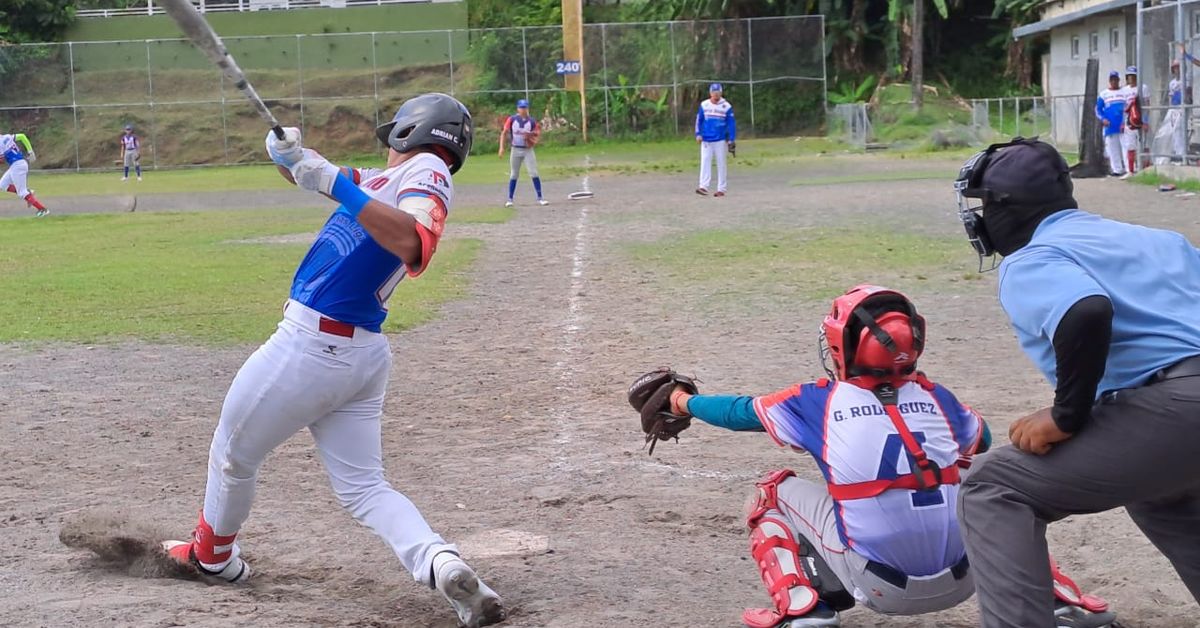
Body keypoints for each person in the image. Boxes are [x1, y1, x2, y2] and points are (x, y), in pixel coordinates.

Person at [161, 93, 506, 628]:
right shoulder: (391, 178)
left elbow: (412, 242)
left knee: (232, 453)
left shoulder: (429, 171)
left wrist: (329, 181)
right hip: (356, 354)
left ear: (409, 132)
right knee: (365, 488)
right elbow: (316, 175)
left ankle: (213, 557)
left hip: (309, 348)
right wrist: (290, 155)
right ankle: (440, 562)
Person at [627, 285, 1116, 628]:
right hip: (972, 579)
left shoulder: (817, 400)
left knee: (774, 491)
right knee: (985, 490)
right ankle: (1060, 600)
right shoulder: (940, 399)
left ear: (842, 345)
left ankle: (802, 610)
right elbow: (982, 440)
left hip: (880, 587)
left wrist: (681, 401)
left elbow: (739, 412)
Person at [953, 136, 1200, 628]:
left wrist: (1067, 415)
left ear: (1004, 209)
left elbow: (1086, 311)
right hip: (1177, 410)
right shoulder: (1159, 239)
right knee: (1163, 498)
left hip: (1179, 406)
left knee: (991, 486)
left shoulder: (1031, 258)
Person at [497, 98, 547, 207]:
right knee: (514, 174)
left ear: (528, 109)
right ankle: (510, 199)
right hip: (515, 149)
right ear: (517, 109)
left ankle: (540, 197)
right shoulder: (512, 119)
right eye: (521, 107)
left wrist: (532, 138)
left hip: (527, 150)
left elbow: (537, 135)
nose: (523, 110)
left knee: (533, 172)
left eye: (525, 107)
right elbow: (504, 133)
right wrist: (501, 147)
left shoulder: (532, 121)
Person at [694, 83, 736, 197]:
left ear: (721, 93)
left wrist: (731, 139)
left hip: (720, 139)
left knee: (721, 163)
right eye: (714, 92)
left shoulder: (726, 106)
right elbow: (699, 120)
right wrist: (698, 134)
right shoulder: (704, 105)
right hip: (707, 139)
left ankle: (721, 188)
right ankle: (703, 186)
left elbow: (731, 124)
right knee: (705, 161)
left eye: (718, 92)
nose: (716, 95)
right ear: (710, 93)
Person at [1, 131, 48, 217]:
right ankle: (28, 192)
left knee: (22, 192)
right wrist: (30, 151)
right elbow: (22, 136)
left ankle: (42, 209)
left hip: (17, 166)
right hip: (17, 164)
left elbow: (2, 160)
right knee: (3, 184)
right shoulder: (7, 137)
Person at [1095, 70, 1128, 178]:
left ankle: (1128, 168)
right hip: (1110, 126)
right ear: (1109, 81)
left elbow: (1128, 107)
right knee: (1113, 148)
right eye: (1112, 80)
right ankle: (1117, 169)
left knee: (1126, 146)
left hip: (1123, 125)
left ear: (1118, 80)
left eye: (1116, 79)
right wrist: (1103, 119)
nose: (1114, 82)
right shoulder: (1104, 94)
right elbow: (1098, 109)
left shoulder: (1124, 92)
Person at [1121, 66, 1149, 175]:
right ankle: (1131, 171)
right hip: (1129, 121)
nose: (1131, 78)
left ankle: (1145, 169)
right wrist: (1123, 123)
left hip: (1140, 120)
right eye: (1129, 76)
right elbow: (1124, 108)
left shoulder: (1143, 87)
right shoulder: (1125, 90)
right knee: (1130, 145)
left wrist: (1146, 121)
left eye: (1133, 76)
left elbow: (1147, 105)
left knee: (1144, 145)